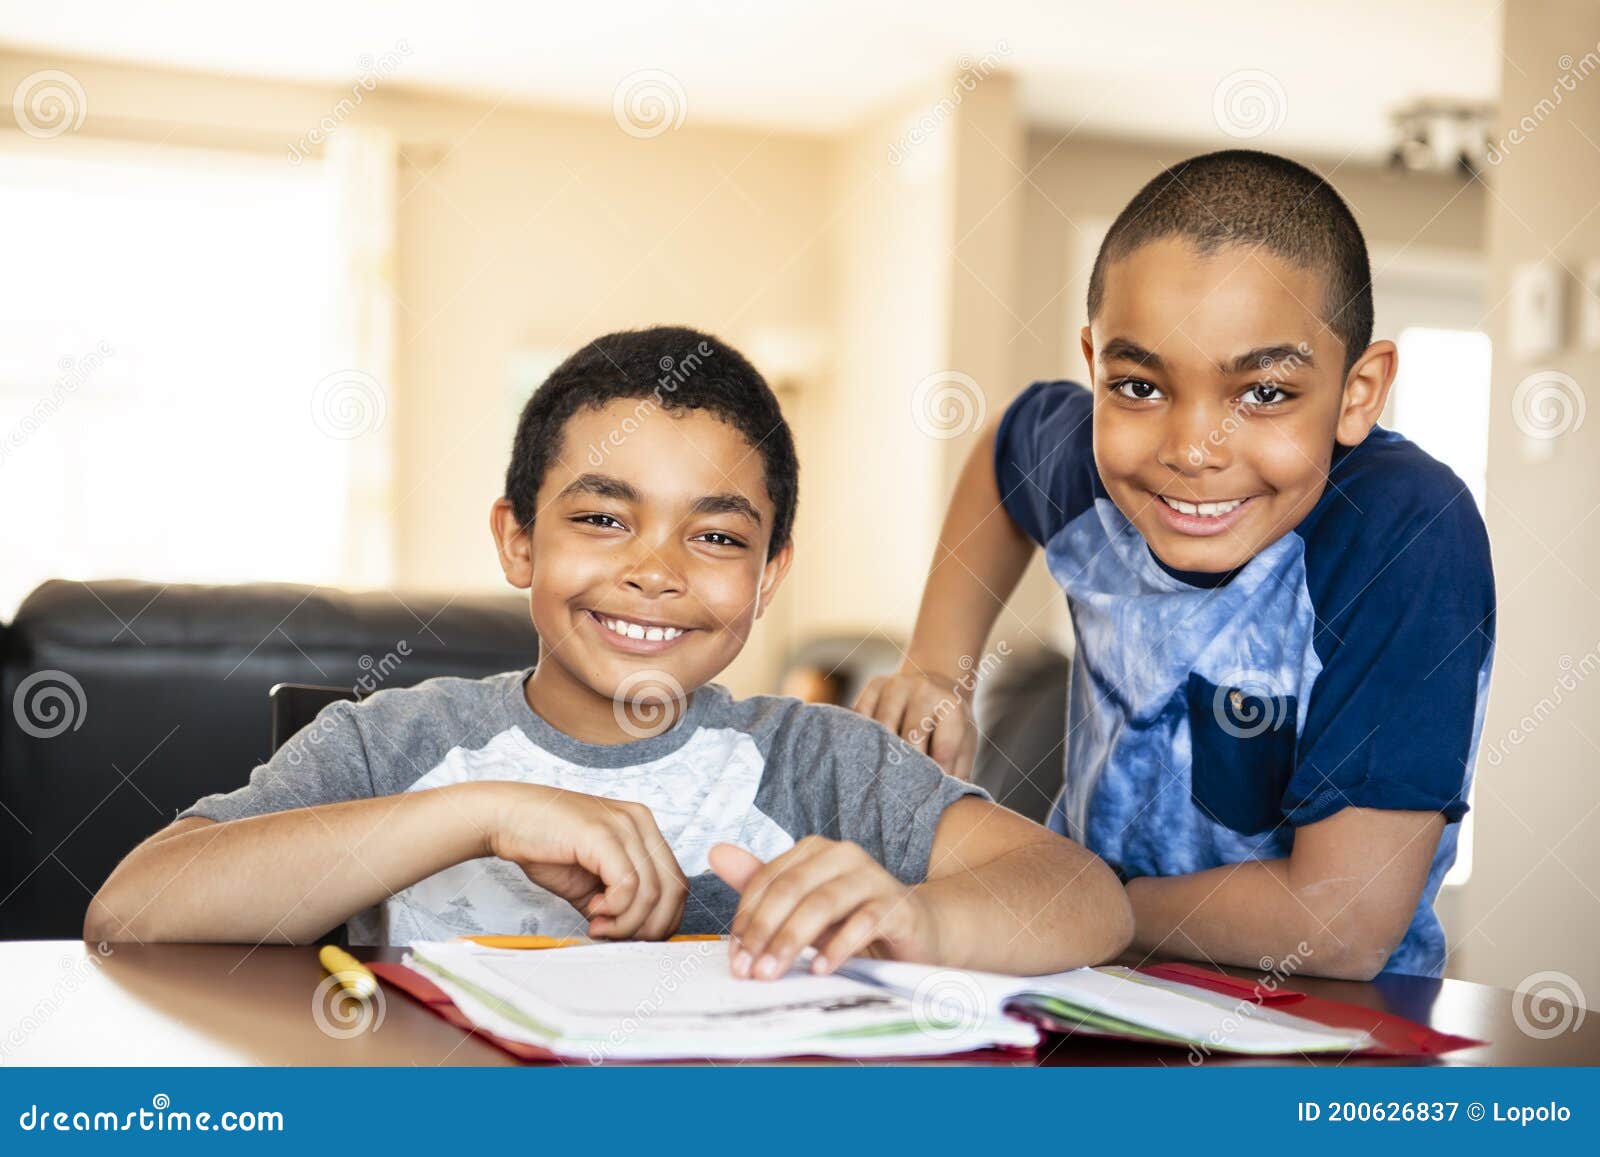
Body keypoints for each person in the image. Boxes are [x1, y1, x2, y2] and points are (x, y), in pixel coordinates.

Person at [87, 326, 1133, 982]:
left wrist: (915, 915)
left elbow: (1084, 895)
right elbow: (130, 909)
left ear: (768, 575)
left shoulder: (825, 761)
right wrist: (479, 813)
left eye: (716, 535)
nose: (656, 570)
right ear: (517, 540)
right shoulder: (391, 741)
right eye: (602, 518)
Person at [855, 151, 1494, 980]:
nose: (1192, 450)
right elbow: (1004, 450)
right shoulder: (1087, 465)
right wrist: (938, 666)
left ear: (1359, 391)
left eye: (1264, 393)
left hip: (1319, 1018)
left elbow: (1341, 924)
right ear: (1094, 366)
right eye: (1139, 386)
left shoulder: (1407, 532)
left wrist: (1069, 904)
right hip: (1082, 982)